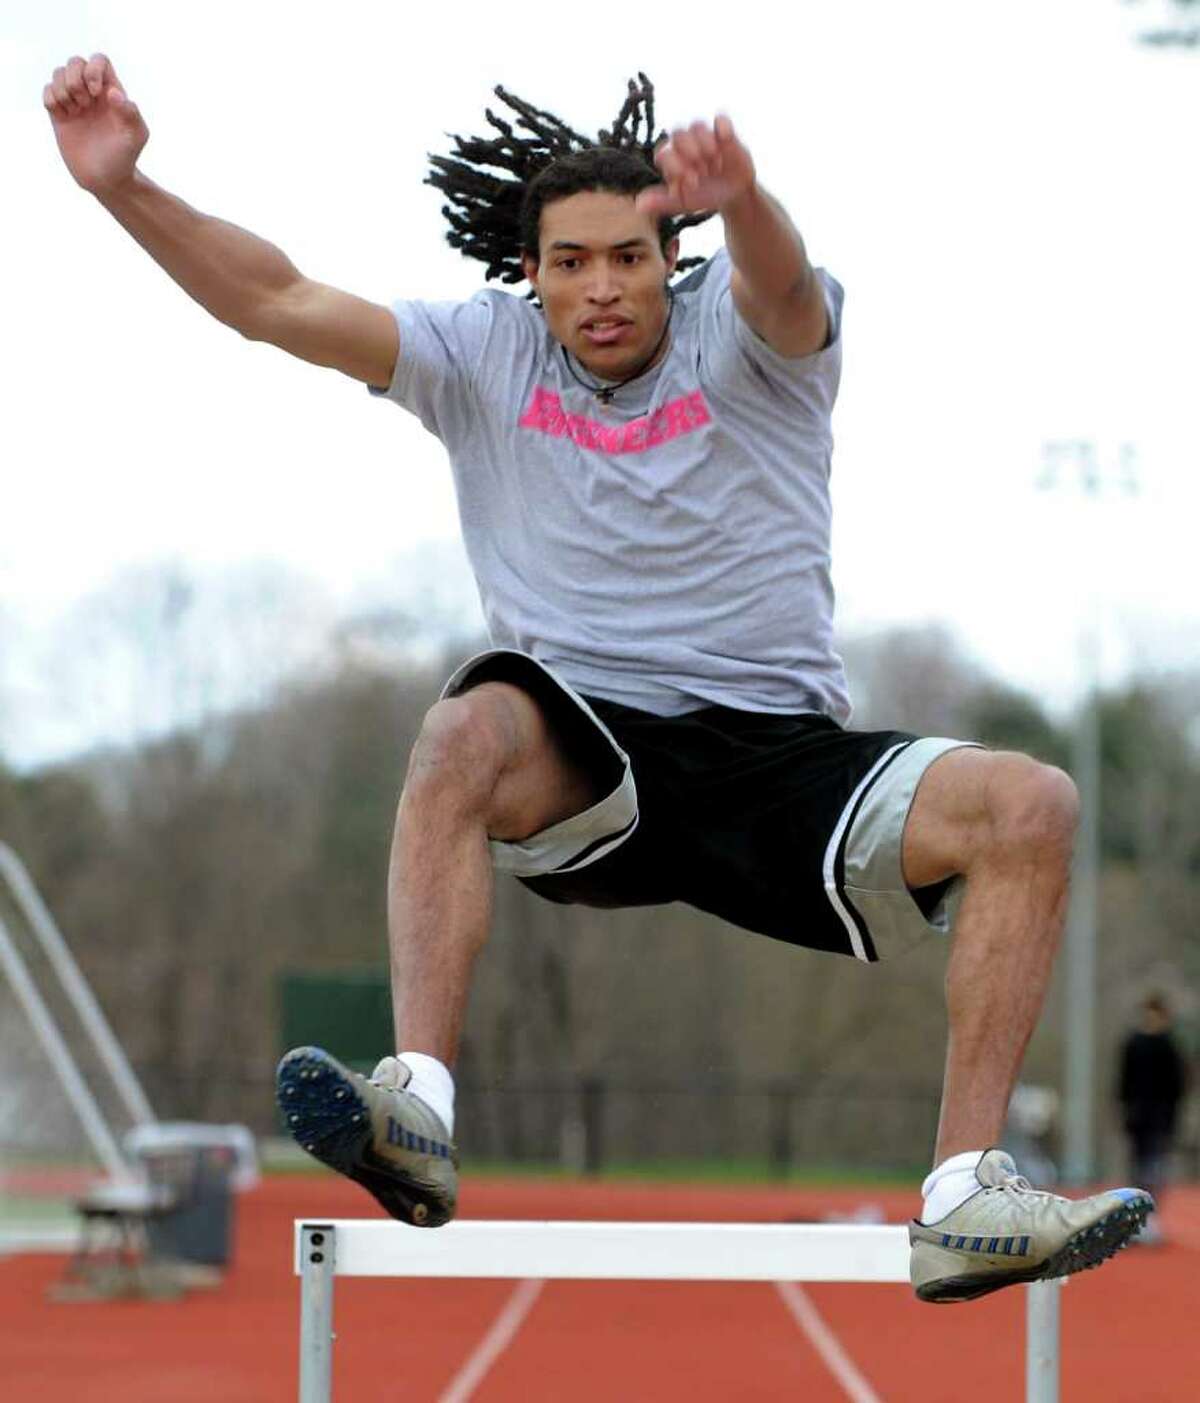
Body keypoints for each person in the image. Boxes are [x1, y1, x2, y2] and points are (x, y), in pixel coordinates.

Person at [45, 53, 1153, 1304]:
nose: (601, 286)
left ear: (670, 257)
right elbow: (277, 298)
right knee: (461, 730)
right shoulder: (481, 355)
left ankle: (963, 1195)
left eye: (629, 255)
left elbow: (782, 284)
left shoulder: (753, 338)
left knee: (1034, 806)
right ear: (532, 274)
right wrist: (122, 188)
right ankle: (418, 1106)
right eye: (570, 261)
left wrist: (743, 200)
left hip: (779, 763)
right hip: (588, 761)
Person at [1117, 993, 1187, 1243]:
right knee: (1138, 1166)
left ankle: (1151, 1217)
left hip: (1161, 1118)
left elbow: (1178, 1085)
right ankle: (1136, 1218)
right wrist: (1125, 1110)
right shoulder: (1133, 1043)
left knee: (1155, 1166)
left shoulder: (1169, 1045)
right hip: (1138, 1117)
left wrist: (1172, 1115)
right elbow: (1124, 1081)